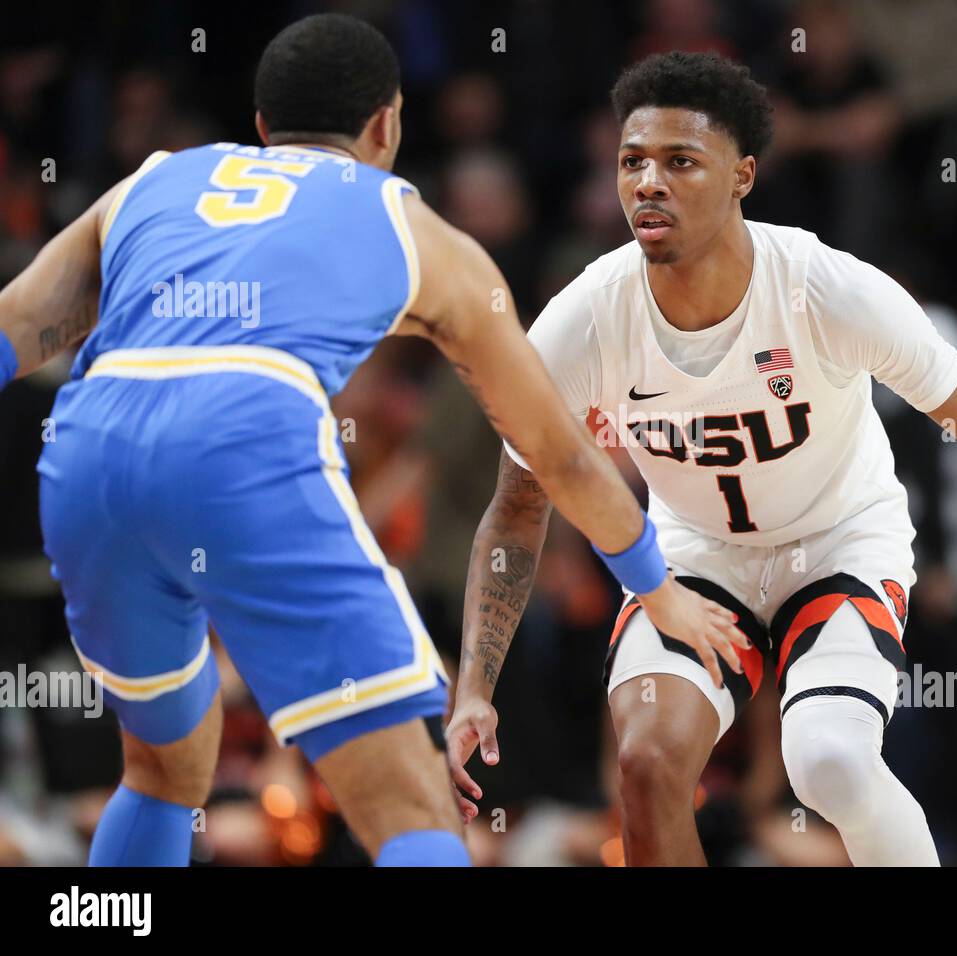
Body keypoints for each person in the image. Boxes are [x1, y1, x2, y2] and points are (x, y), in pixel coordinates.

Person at [445, 51, 957, 867]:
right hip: (691, 556)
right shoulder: (581, 320)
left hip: (838, 541)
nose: (649, 182)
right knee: (647, 767)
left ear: (742, 175)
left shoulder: (825, 290)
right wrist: (475, 682)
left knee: (829, 761)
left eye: (680, 161)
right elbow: (516, 509)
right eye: (632, 161)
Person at [0, 15, 745, 867]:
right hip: (241, 446)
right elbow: (560, 451)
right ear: (387, 125)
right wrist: (658, 589)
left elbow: (15, 329)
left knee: (164, 771)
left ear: (260, 128)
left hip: (87, 457)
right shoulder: (411, 223)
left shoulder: (150, 184)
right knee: (412, 803)